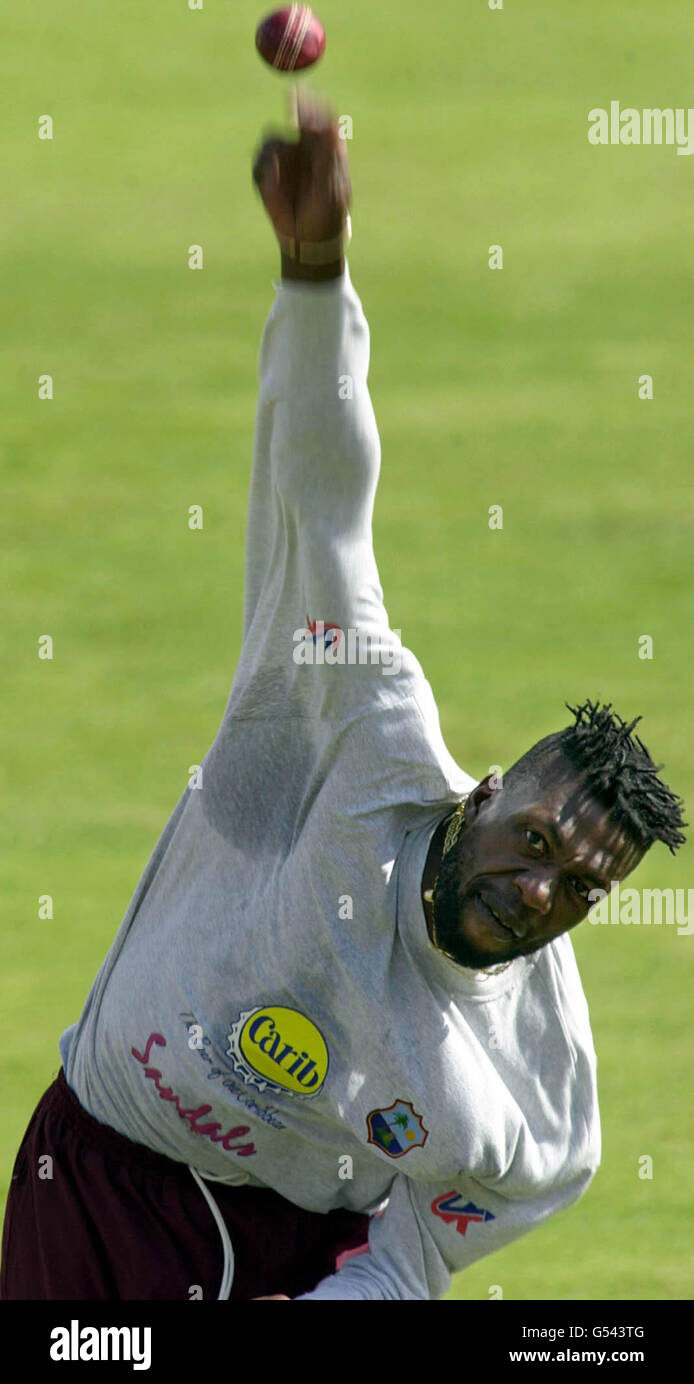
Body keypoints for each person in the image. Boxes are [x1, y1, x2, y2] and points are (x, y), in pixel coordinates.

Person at [1, 94, 685, 1302]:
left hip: (287, 1253)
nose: (538, 891)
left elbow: (421, 1247)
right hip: (93, 1176)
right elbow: (324, 489)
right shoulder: (352, 734)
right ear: (483, 789)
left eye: (579, 889)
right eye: (533, 840)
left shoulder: (533, 1097)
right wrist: (314, 270)